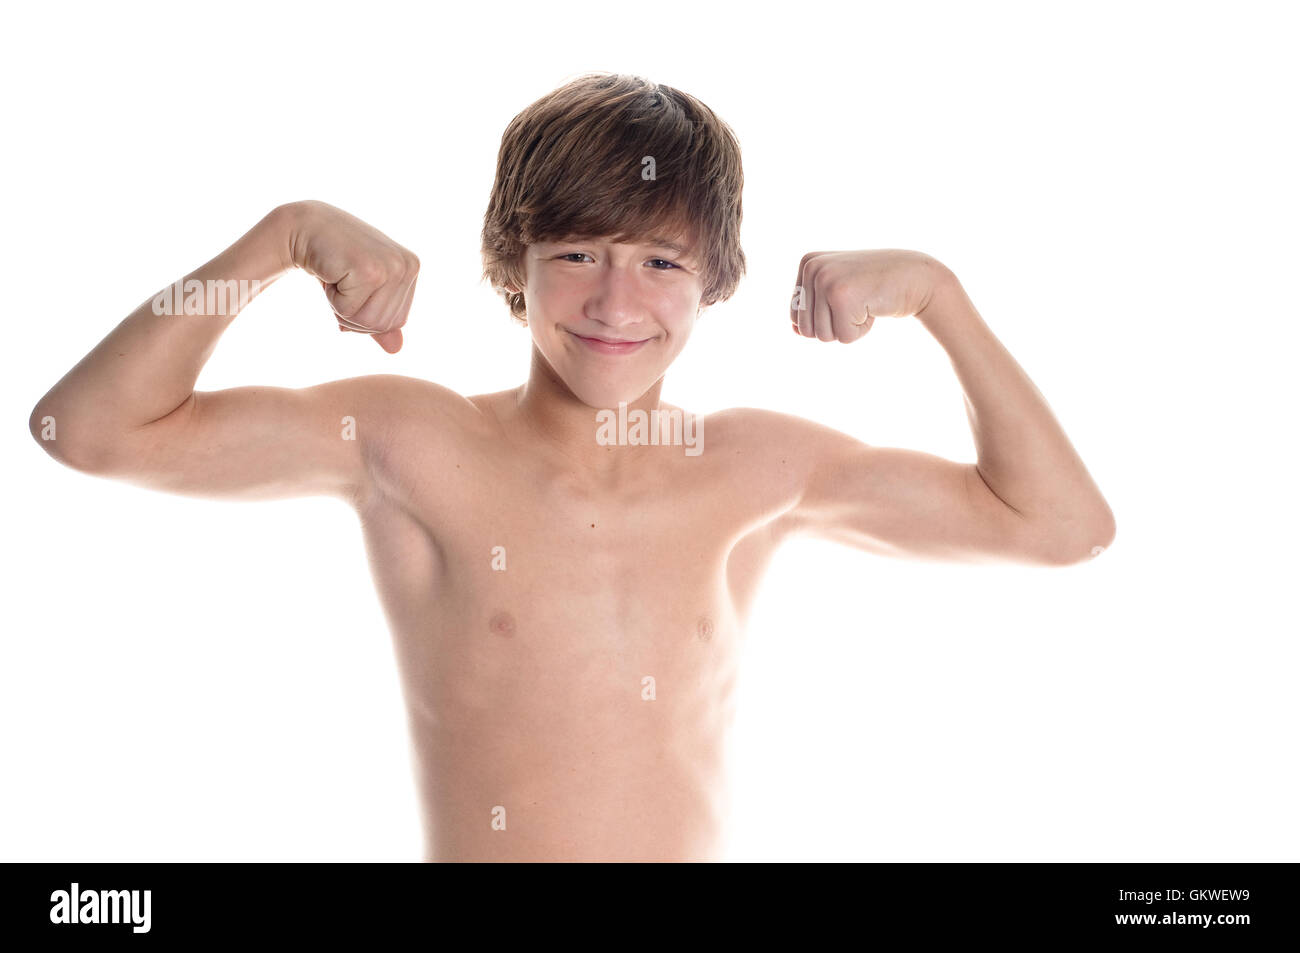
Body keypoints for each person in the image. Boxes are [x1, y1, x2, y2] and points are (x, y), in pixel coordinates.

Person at [28, 72, 1115, 862]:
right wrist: (280, 236)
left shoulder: (756, 464)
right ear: (514, 264)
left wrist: (939, 296)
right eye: (576, 255)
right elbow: (85, 429)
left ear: (714, 281)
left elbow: (1062, 524)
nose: (612, 302)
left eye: (658, 261)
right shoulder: (416, 441)